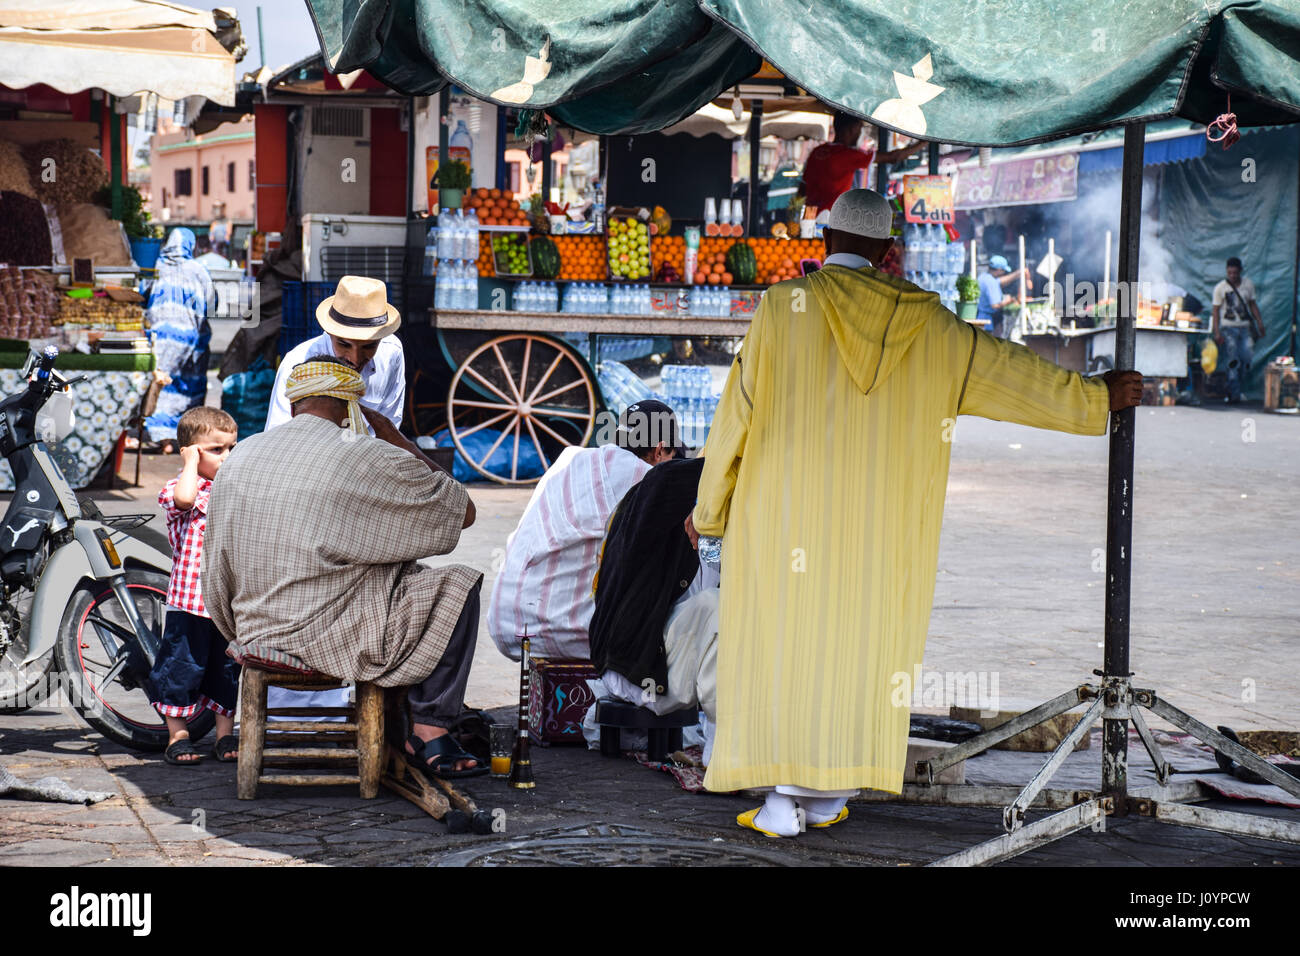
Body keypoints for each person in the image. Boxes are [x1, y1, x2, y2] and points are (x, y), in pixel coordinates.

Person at [688, 188, 1144, 837]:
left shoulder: (783, 308)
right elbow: (1013, 376)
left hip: (783, 524)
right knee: (858, 651)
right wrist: (1096, 398)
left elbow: (737, 414)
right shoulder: (933, 327)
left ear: (826, 242)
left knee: (785, 648)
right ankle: (827, 796)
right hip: (881, 532)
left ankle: (784, 801)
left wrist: (710, 510)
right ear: (888, 252)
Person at [204, 357, 486, 777]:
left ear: (294, 399)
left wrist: (243, 626)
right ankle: (427, 731)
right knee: (459, 584)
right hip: (326, 637)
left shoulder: (241, 455)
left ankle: (406, 725)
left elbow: (215, 570)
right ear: (351, 403)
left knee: (382, 576)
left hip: (251, 630)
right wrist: (398, 440)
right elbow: (461, 511)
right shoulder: (366, 454)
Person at [487, 400, 682, 662]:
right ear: (659, 450)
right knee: (679, 613)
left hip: (506, 624)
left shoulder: (570, 460)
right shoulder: (645, 478)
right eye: (670, 457)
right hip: (558, 632)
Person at [589, 455, 720, 762]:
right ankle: (720, 757)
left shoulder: (720, 538)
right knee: (717, 608)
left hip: (668, 663)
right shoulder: (656, 496)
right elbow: (664, 481)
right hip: (638, 672)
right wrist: (708, 493)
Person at [146, 406, 239, 765]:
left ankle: (224, 734)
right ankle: (178, 734)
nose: (226, 457)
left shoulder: (230, 487)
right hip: (189, 602)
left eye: (231, 447)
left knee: (227, 671)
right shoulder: (181, 487)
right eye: (216, 450)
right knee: (181, 667)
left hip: (227, 603)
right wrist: (188, 464)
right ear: (191, 450)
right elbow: (184, 500)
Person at [265, 274, 407, 433]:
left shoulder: (391, 353)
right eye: (344, 344)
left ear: (381, 339)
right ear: (329, 332)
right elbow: (278, 434)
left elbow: (389, 426)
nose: (355, 358)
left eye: (368, 347)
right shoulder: (296, 365)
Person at [145, 228, 214, 451]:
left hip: (159, 335)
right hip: (190, 336)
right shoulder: (198, 269)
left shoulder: (156, 266)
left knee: (162, 383)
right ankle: (187, 439)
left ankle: (163, 439)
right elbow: (212, 302)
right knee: (187, 385)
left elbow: (142, 294)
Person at [798, 111, 926, 214]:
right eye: (859, 129)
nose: (860, 134)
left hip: (811, 216)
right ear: (851, 129)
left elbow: (803, 187)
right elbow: (894, 157)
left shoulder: (818, 151)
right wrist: (924, 142)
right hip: (834, 216)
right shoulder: (848, 155)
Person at [1211, 257, 1265, 402]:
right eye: (1230, 273)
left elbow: (1253, 305)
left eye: (1235, 273)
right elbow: (1215, 311)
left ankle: (1233, 388)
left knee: (1246, 357)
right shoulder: (1220, 288)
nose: (1233, 276)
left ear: (1240, 271)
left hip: (1245, 328)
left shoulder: (1248, 285)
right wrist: (1217, 332)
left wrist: (1260, 323)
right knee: (1233, 360)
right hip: (1228, 328)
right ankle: (1234, 394)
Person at [976, 254, 1032, 338]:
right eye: (1003, 271)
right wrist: (1010, 300)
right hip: (989, 322)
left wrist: (1018, 273)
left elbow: (1001, 281)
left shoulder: (983, 277)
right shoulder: (991, 283)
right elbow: (995, 305)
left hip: (980, 319)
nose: (1004, 273)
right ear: (999, 270)